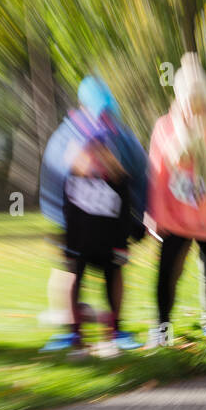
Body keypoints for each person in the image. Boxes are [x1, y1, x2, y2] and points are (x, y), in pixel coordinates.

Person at [39, 75, 145, 352]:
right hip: (78, 230)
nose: (105, 121)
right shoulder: (65, 139)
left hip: (110, 230)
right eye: (100, 113)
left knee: (113, 273)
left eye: (109, 113)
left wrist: (138, 219)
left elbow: (140, 177)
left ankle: (116, 330)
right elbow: (54, 182)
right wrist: (60, 224)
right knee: (72, 274)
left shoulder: (123, 140)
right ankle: (72, 333)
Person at [146, 53, 206, 349]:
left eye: (200, 99)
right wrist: (156, 216)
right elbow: (156, 174)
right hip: (175, 216)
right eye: (189, 99)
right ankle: (161, 326)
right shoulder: (164, 128)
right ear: (180, 98)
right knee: (168, 272)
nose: (195, 106)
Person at [61, 132, 133, 358]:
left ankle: (114, 330)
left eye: (101, 153)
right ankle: (76, 334)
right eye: (90, 153)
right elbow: (69, 216)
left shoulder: (120, 182)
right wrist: (69, 249)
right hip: (81, 245)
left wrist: (122, 247)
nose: (96, 158)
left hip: (109, 245)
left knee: (114, 278)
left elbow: (124, 217)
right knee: (74, 280)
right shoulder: (73, 179)